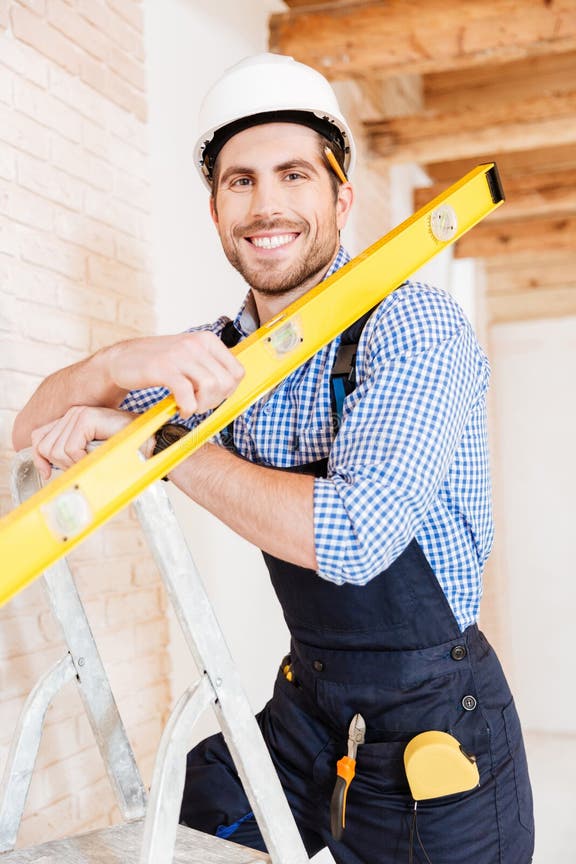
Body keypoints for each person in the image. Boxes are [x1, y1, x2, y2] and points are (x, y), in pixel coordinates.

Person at [13, 54, 534, 863]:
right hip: (308, 703)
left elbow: (356, 539)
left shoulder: (413, 328)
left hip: (436, 721)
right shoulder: (217, 359)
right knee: (165, 835)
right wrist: (117, 366)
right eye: (240, 181)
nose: (267, 205)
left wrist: (156, 444)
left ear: (341, 197)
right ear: (216, 207)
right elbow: (30, 433)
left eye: (294, 175)